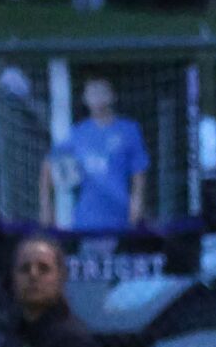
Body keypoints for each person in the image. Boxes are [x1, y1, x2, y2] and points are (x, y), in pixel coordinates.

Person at [40, 77, 150, 232]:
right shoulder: (78, 133)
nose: (97, 98)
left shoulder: (129, 130)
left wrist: (137, 204)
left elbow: (139, 172)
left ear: (112, 96)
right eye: (91, 94)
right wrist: (46, 207)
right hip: (86, 220)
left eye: (101, 92)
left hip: (121, 218)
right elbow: (48, 164)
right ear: (85, 99)